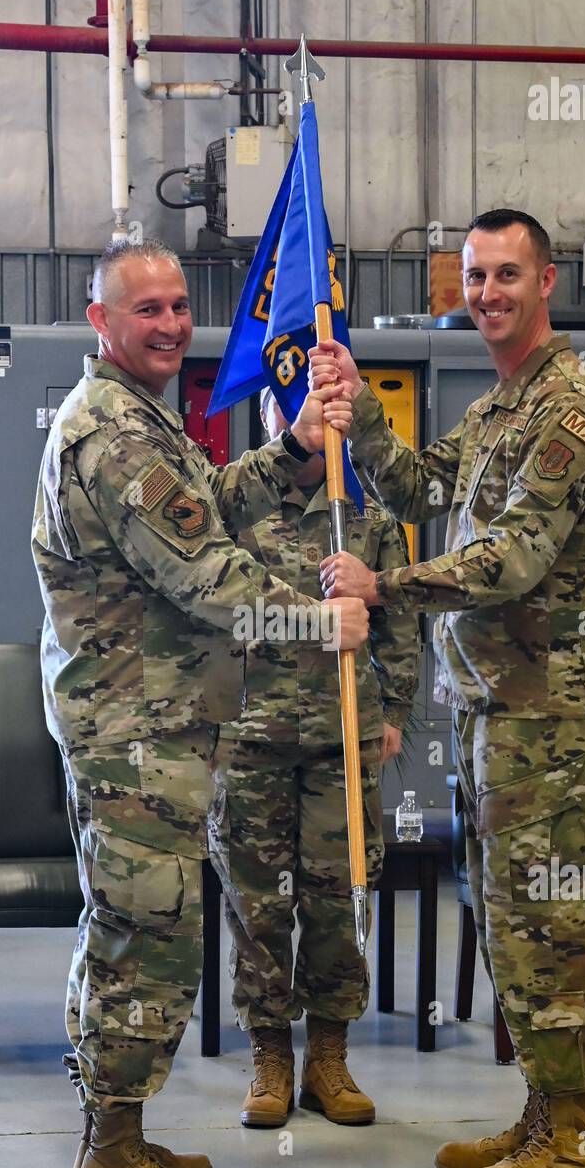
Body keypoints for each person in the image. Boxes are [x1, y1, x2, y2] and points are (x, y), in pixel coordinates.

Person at [31, 237, 368, 1168]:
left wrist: (297, 448)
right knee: (144, 935)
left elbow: (204, 510)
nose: (172, 324)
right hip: (135, 735)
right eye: (147, 309)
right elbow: (207, 576)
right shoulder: (114, 434)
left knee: (146, 929)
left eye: (180, 305)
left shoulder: (143, 419)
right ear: (102, 321)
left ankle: (123, 1131)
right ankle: (110, 1152)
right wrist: (319, 620)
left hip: (158, 729)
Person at [308, 208, 585, 1168]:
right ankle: (541, 1108)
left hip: (547, 717)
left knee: (549, 921)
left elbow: (513, 558)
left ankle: (573, 1134)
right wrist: (356, 408)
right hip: (492, 707)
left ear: (547, 285)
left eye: (505, 276)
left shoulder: (574, 409)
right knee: (504, 919)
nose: (486, 294)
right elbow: (417, 484)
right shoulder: (498, 411)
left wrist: (383, 588)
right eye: (474, 277)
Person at [208, 387, 421, 1129]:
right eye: (292, 407)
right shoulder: (232, 505)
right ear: (269, 413)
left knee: (338, 900)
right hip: (249, 735)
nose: (310, 422)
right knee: (257, 905)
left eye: (322, 408)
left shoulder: (368, 510)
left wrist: (392, 713)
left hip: (343, 737)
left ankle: (328, 1057)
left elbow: (397, 622)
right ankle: (270, 1056)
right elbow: (214, 606)